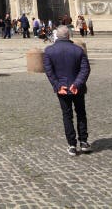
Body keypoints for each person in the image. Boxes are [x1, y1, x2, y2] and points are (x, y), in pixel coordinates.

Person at [43, 25, 91, 156]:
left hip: (62, 89)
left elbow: (49, 71)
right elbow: (85, 69)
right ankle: (84, 141)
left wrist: (58, 86)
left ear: (56, 36)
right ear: (69, 36)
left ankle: (71, 145)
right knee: (81, 113)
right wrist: (77, 84)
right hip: (77, 89)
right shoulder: (78, 50)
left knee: (67, 115)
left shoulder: (49, 51)